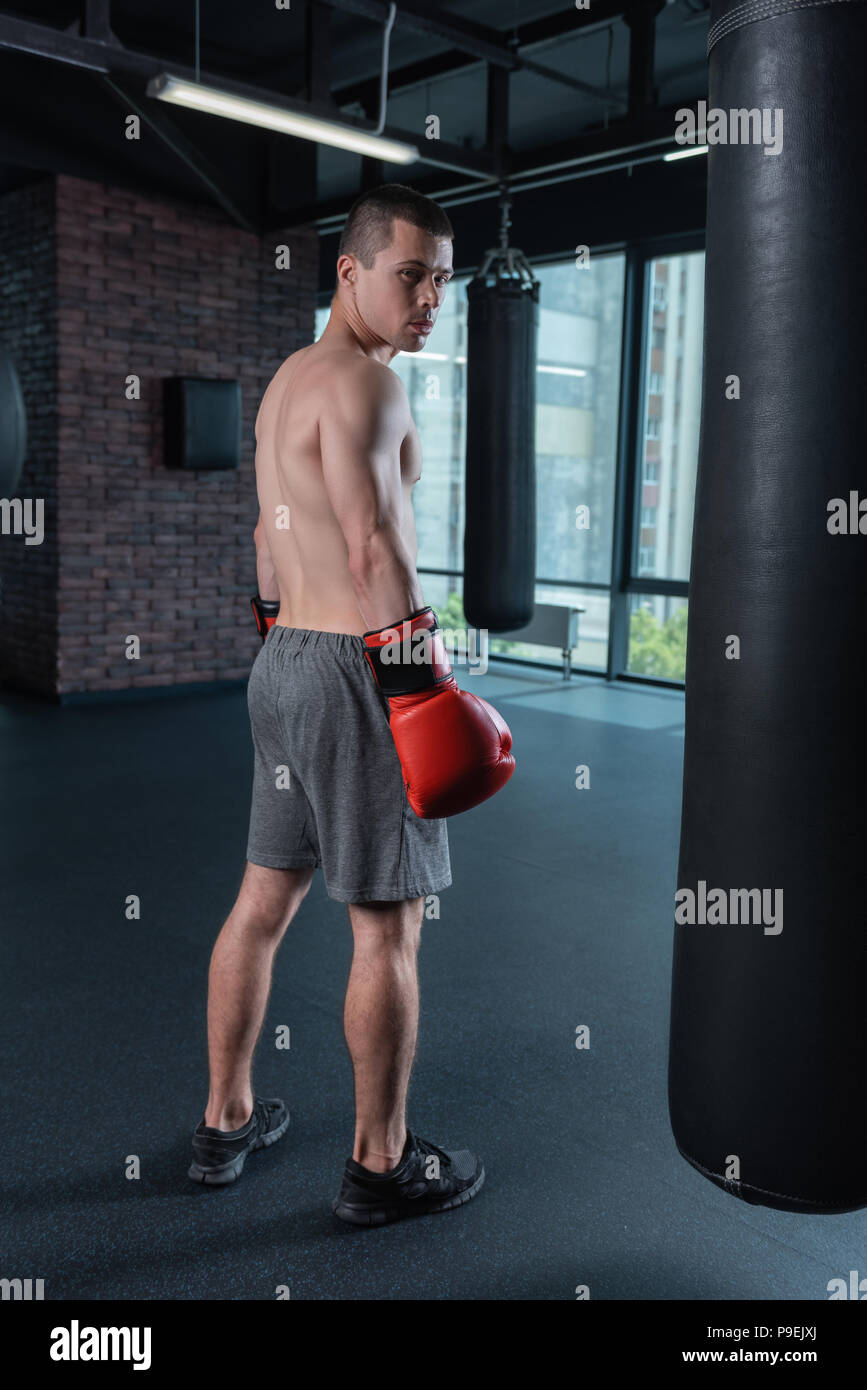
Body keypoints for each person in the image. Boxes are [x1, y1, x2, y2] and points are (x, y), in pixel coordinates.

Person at [189, 183, 510, 1226]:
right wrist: (424, 690)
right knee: (390, 930)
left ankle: (225, 1117)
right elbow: (374, 551)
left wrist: (294, 653)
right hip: (359, 664)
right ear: (351, 270)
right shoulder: (370, 391)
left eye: (443, 282)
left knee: (263, 900)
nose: (429, 300)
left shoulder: (289, 380)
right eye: (410, 275)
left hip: (283, 654)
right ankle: (380, 1164)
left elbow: (264, 544)